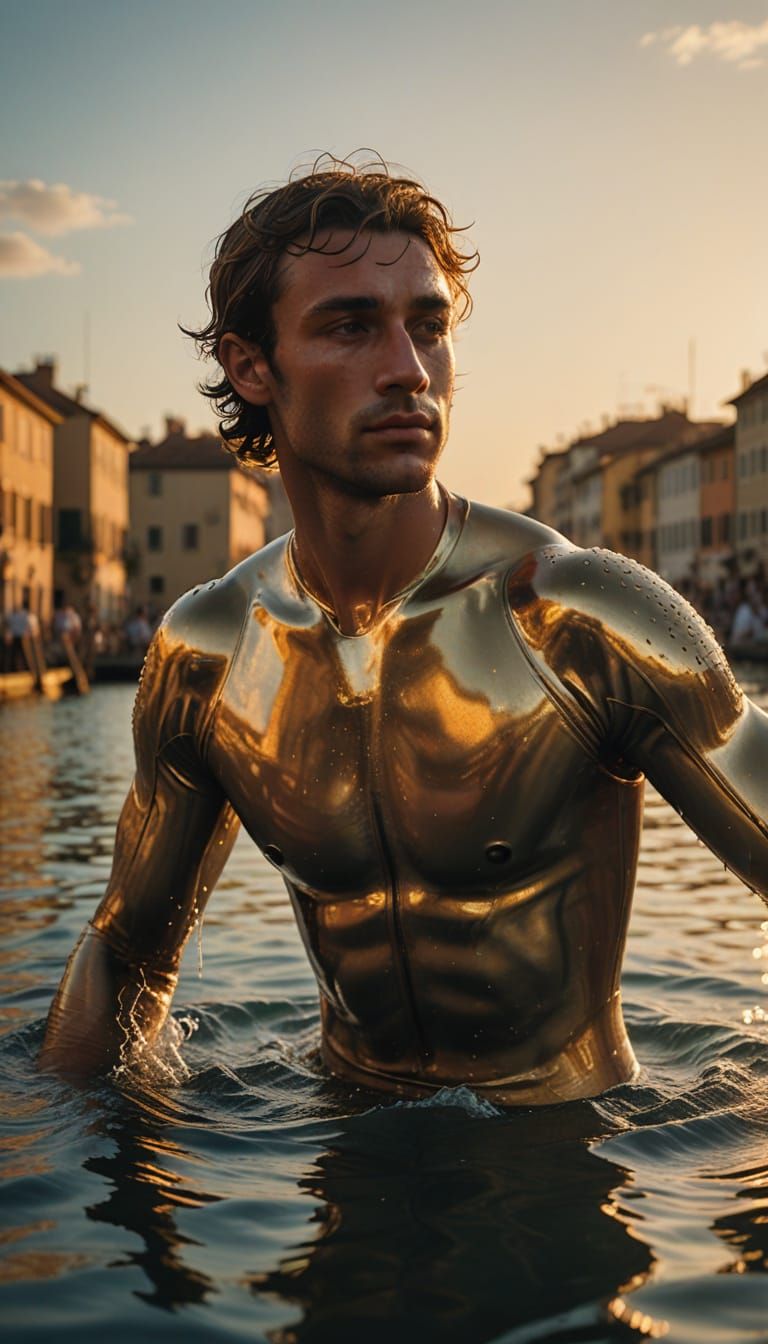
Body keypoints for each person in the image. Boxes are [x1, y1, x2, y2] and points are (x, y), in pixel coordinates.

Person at [41, 157, 768, 1103]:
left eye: (428, 327)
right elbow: (124, 952)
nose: (407, 370)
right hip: (339, 1146)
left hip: (561, 1168)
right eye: (350, 327)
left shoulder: (581, 617)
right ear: (250, 365)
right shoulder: (208, 654)